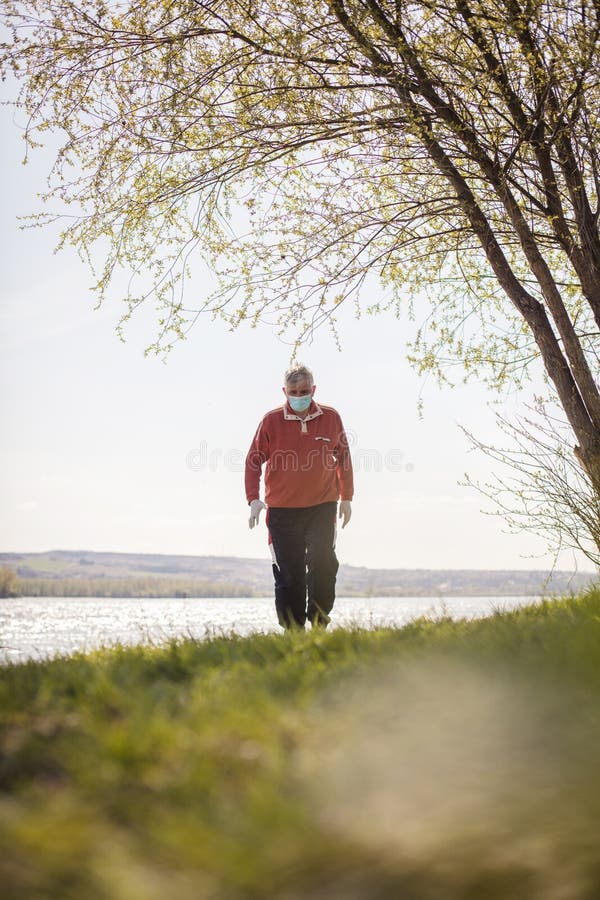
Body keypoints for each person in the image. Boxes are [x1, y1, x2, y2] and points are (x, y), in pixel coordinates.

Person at [244, 365, 354, 629]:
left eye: (304, 391)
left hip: (322, 506)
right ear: (285, 392)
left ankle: (318, 624)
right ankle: (294, 632)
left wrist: (346, 497)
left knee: (323, 562)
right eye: (293, 392)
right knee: (289, 575)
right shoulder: (271, 421)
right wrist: (253, 499)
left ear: (313, 390)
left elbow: (343, 458)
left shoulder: (331, 417)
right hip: (282, 511)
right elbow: (253, 461)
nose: (299, 396)